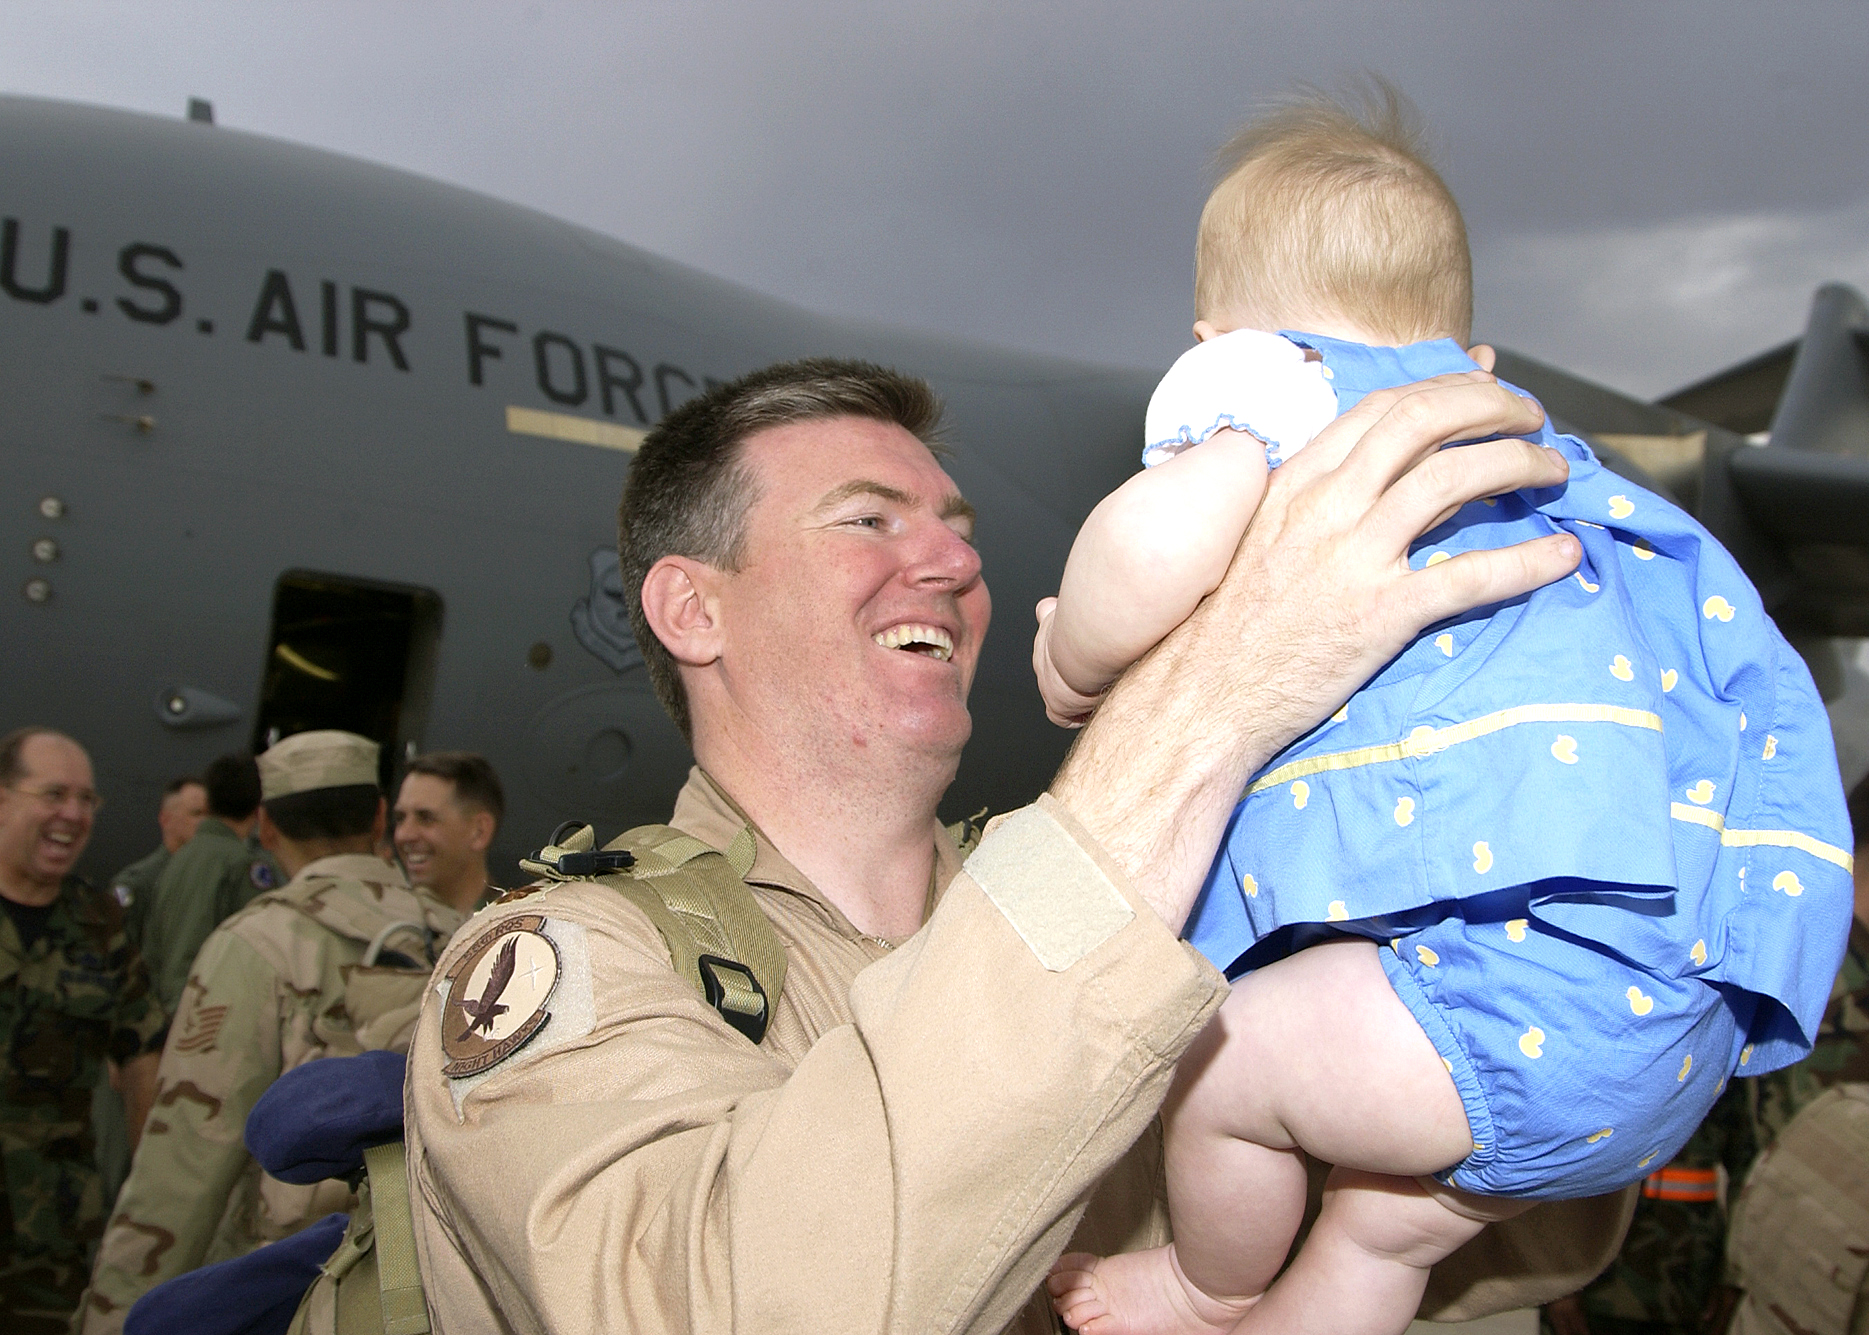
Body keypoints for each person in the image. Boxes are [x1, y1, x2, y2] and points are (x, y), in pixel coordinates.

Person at [394, 355, 1630, 1334]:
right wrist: (1203, 702)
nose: (954, 561)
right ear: (692, 608)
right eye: (868, 520)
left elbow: (1529, 1231)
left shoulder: (1155, 908)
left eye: (954, 522)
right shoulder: (565, 962)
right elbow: (720, 1305)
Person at [1037, 90, 1851, 1335]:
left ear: (1221, 344)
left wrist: (1077, 655)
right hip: (1662, 1035)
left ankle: (1207, 1288)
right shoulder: (1567, 483)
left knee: (1215, 1064)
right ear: (1475, 365)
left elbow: (1146, 552)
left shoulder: (1284, 406)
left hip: (1514, 1000)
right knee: (1377, 1232)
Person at [75, 731, 473, 1335]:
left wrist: (112, 1316)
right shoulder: (464, 935)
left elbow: (185, 1160)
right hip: (431, 1290)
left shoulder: (254, 945)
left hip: (288, 1296)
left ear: (265, 826)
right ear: (378, 817)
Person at [0, 729, 165, 1335]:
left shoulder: (101, 928)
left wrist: (148, 1202)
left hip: (50, 1237)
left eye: (86, 800)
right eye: (54, 794)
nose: (72, 814)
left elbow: (143, 1054)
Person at [138, 753, 279, 1015]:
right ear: (258, 806)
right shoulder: (242, 866)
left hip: (162, 1010)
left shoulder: (180, 858)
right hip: (203, 1017)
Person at [391, 752, 504, 913]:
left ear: (479, 831)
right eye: (400, 818)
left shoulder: (510, 928)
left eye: (426, 818)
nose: (404, 835)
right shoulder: (386, 919)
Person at [107, 777, 207, 951]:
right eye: (197, 814)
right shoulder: (136, 884)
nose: (206, 823)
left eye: (211, 815)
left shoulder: (213, 876)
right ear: (166, 819)